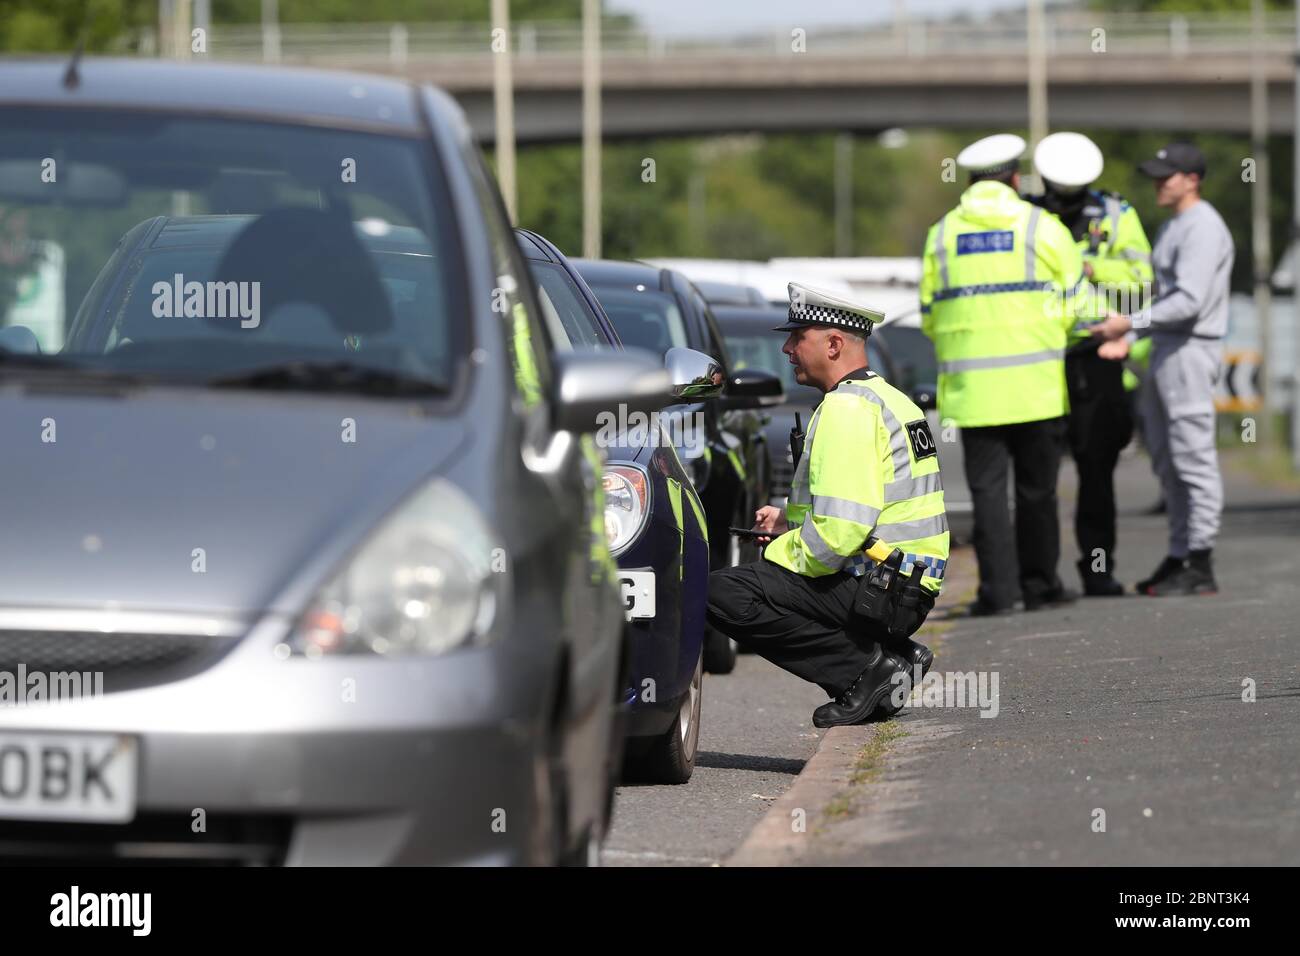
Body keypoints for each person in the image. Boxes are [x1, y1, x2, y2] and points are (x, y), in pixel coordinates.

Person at [705, 284, 949, 728]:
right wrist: (786, 522)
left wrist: (775, 553)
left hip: (882, 588)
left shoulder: (847, 410)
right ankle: (892, 654)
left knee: (724, 593)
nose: (787, 348)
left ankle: (866, 671)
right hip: (906, 584)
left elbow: (837, 536)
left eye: (798, 337)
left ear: (833, 343)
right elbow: (862, 510)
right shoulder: (890, 399)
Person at [920, 133, 1084, 615]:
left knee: (988, 492)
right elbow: (1075, 305)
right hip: (1035, 388)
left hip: (974, 393)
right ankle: (1039, 586)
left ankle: (997, 593)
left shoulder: (942, 235)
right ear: (1015, 178)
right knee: (1038, 490)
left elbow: (929, 313)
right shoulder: (1042, 227)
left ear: (970, 181)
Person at [1090, 142, 1233, 595]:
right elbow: (1167, 301)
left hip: (1192, 349)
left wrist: (1127, 322)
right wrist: (1129, 338)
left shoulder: (1203, 227)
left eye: (1166, 176)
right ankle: (1179, 555)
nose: (1158, 183)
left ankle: (1201, 561)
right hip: (1168, 348)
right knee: (1170, 463)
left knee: (1194, 459)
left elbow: (1189, 301)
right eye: (1156, 175)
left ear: (1192, 180)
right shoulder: (1176, 225)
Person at [1031, 131, 1154, 596]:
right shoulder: (1029, 215)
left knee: (1096, 469)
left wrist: (1089, 269)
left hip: (1097, 355)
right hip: (1040, 353)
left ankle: (1098, 570)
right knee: (1037, 475)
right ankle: (1037, 578)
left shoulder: (1117, 214)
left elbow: (1141, 281)